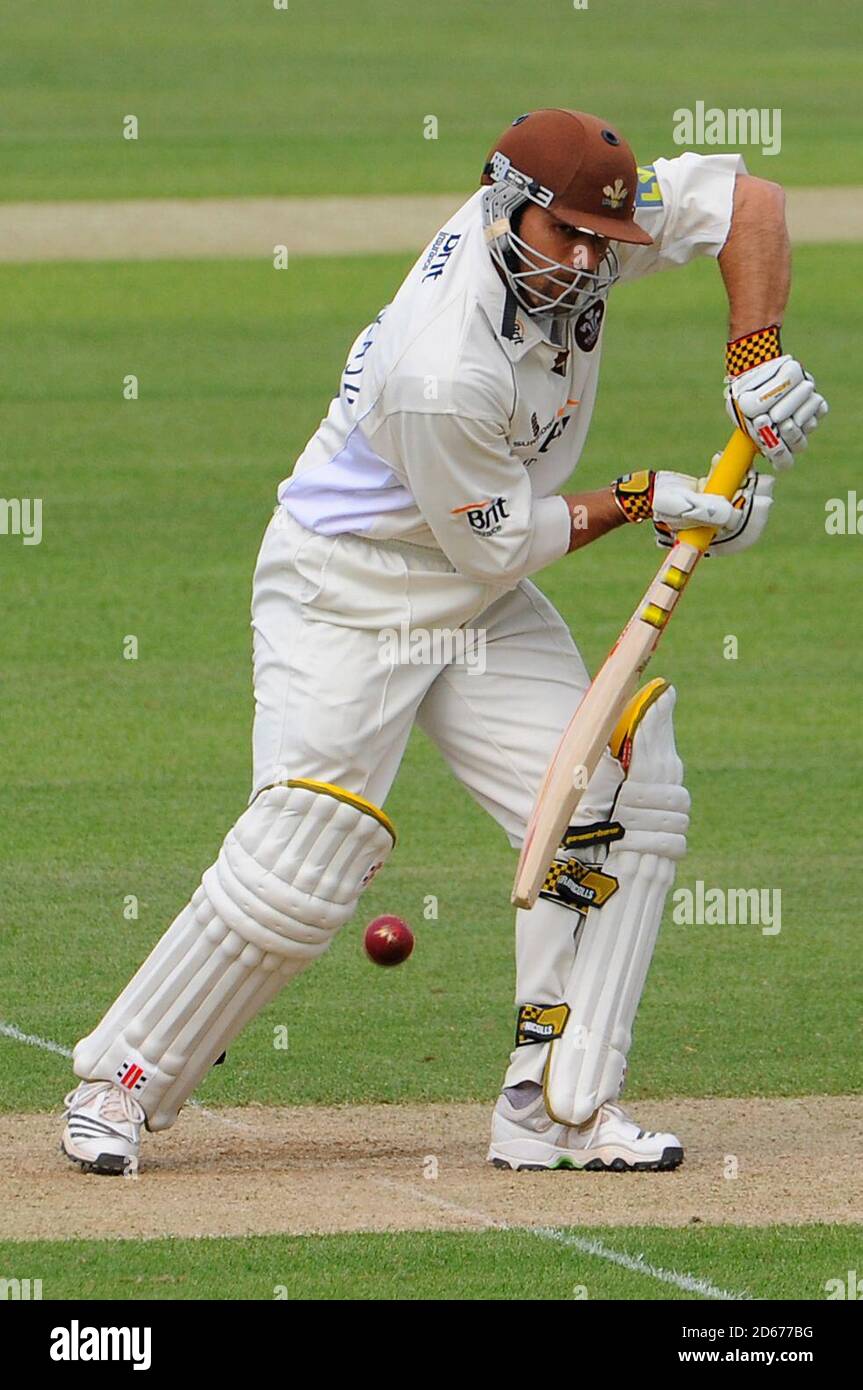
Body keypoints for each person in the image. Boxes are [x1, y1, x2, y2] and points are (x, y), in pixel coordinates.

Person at [61, 108, 827, 1175]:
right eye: (563, 237)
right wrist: (653, 498)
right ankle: (119, 1085)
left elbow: (750, 203)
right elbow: (500, 544)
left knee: (615, 793)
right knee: (306, 853)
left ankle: (553, 1106)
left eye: (603, 242)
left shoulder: (588, 231)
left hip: (474, 586)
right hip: (351, 586)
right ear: (502, 203)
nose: (586, 264)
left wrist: (753, 351)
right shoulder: (441, 361)